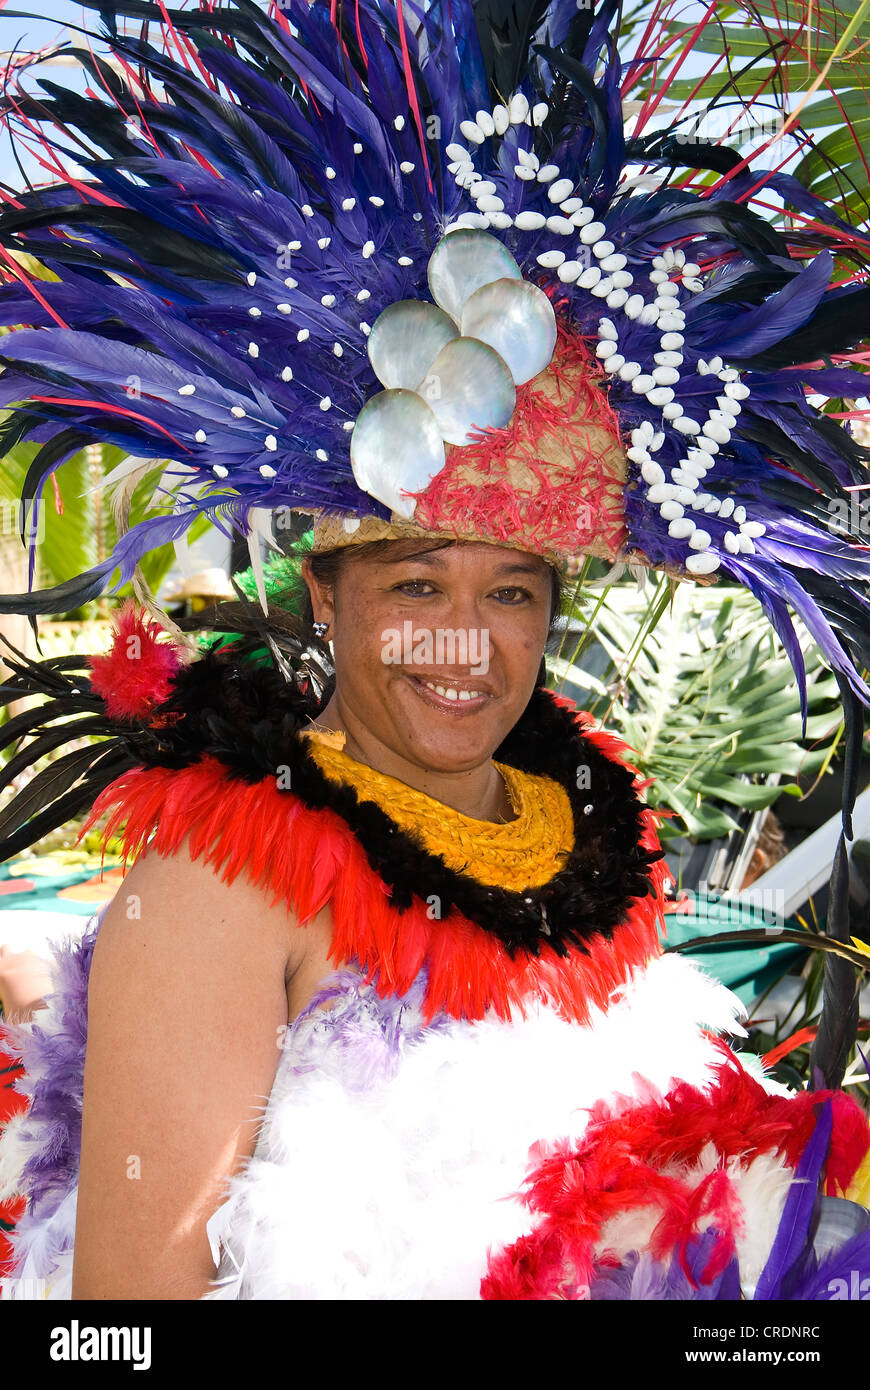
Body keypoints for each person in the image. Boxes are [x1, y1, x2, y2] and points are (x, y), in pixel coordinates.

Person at [0, 0, 869, 1300]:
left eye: (511, 591)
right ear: (331, 596)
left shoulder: (577, 816)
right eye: (418, 580)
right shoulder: (215, 887)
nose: (466, 640)